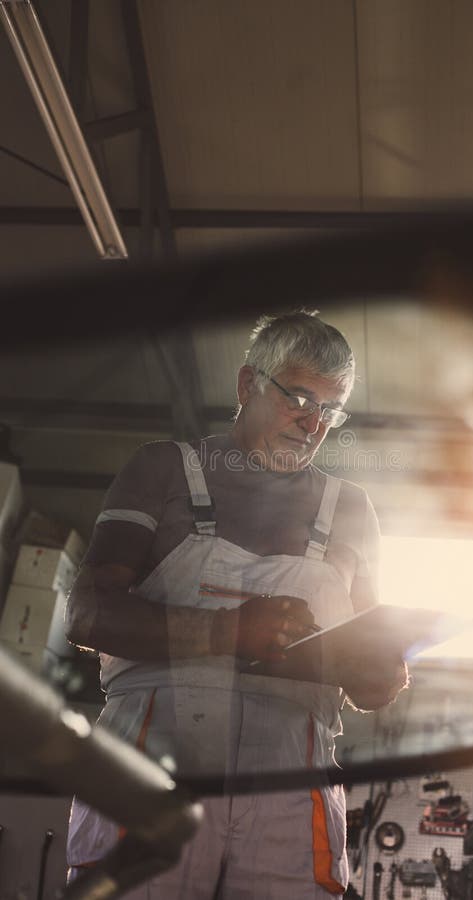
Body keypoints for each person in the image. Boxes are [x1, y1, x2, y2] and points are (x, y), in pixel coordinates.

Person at [65, 310, 408, 899]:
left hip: (291, 780)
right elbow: (87, 612)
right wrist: (224, 633)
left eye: (330, 410)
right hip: (152, 766)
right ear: (249, 383)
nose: (313, 423)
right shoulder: (163, 470)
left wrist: (378, 676)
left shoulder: (351, 509)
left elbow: (369, 654)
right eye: (298, 398)